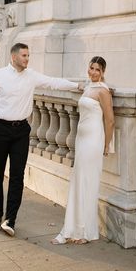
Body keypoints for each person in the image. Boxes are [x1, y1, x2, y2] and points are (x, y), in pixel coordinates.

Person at [0, 42, 85, 237]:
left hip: (21, 130)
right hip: (0, 129)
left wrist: (77, 86)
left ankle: (10, 218)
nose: (27, 59)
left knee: (17, 175)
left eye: (28, 56)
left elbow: (53, 82)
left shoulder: (31, 76)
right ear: (13, 57)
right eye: (24, 56)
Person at [52, 55, 114, 245]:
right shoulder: (88, 87)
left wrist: (106, 145)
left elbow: (110, 119)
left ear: (103, 72)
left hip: (94, 140)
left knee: (87, 182)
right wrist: (78, 85)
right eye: (91, 68)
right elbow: (80, 87)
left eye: (97, 69)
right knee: (78, 182)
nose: (93, 72)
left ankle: (84, 231)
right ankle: (76, 229)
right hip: (81, 139)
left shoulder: (103, 91)